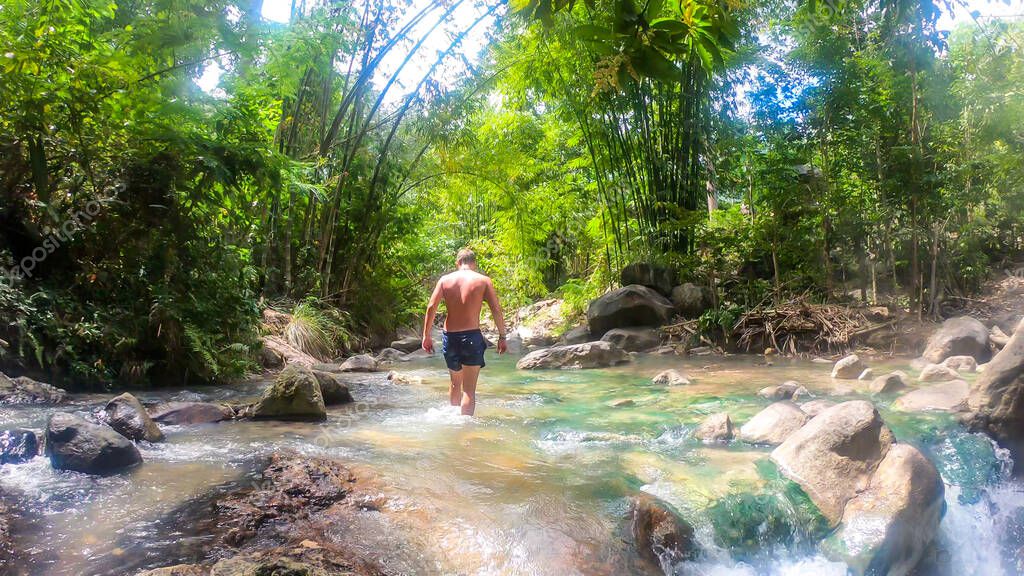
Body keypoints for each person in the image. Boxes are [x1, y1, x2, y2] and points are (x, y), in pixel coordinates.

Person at [422, 248, 507, 416]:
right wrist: (502, 336)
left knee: (455, 383)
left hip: (450, 337)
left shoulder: (445, 280)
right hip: (471, 337)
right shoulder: (483, 280)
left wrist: (426, 335)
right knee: (468, 390)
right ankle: (465, 430)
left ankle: (453, 421)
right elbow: (496, 309)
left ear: (458, 263)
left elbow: (431, 307)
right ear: (474, 264)